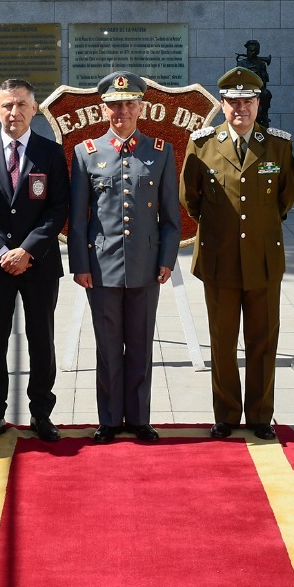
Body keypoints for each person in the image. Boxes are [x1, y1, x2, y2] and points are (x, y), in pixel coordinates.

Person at [181, 67, 294, 439]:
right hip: (220, 259)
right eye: (233, 102)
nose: (240, 109)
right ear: (222, 105)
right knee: (223, 342)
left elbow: (285, 198)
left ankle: (261, 416)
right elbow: (190, 199)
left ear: (257, 104)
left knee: (264, 342)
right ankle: (227, 415)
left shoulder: (277, 145)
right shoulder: (202, 144)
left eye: (247, 101)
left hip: (263, 259)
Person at [69, 71, 182, 442]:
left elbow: (170, 216)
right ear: (105, 110)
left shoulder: (160, 152)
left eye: (129, 105)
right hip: (101, 269)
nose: (122, 112)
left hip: (146, 267)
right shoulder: (86, 154)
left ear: (140, 108)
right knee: (107, 348)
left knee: (140, 346)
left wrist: (166, 259)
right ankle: (109, 420)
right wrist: (80, 266)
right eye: (115, 105)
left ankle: (138, 418)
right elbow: (78, 216)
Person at [0, 80, 71, 445]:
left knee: (42, 339)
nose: (14, 112)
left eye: (22, 104)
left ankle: (41, 412)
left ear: (34, 109)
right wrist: (0, 251)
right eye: (7, 105)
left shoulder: (51, 153)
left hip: (38, 265)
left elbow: (58, 208)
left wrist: (27, 250)